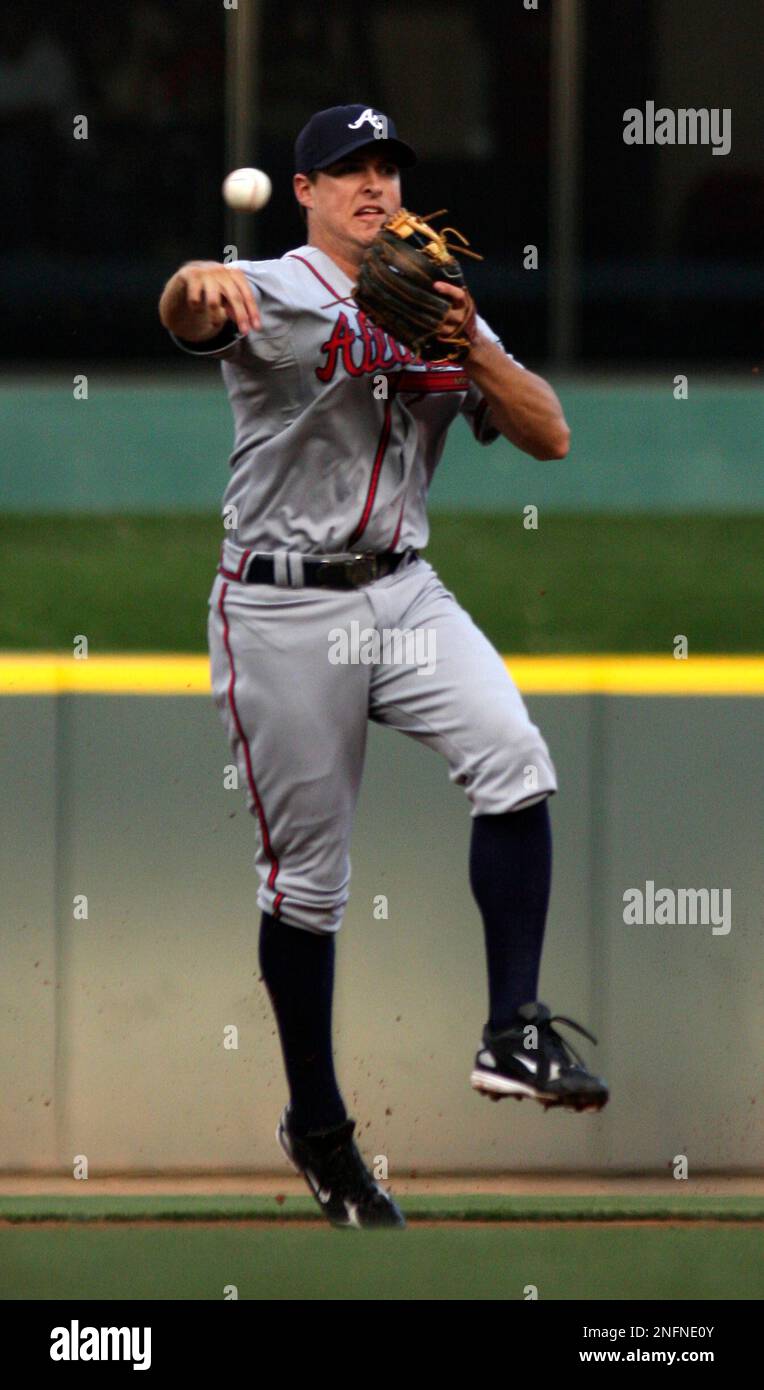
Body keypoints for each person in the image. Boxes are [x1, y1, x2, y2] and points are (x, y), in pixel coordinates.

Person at [158, 104, 608, 1230]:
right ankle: (318, 1125)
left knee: (512, 756)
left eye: (387, 169)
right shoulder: (267, 287)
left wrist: (471, 343)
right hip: (279, 603)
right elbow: (191, 310)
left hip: (401, 586)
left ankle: (512, 1028)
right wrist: (191, 284)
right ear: (303, 191)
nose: (374, 186)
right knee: (308, 885)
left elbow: (547, 432)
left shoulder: (436, 296)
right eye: (346, 170)